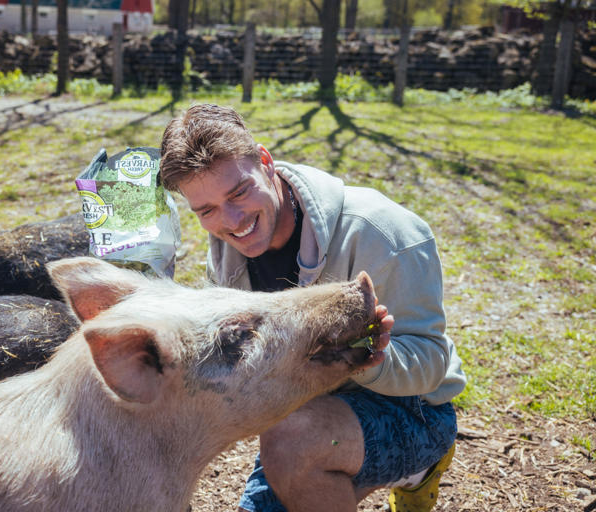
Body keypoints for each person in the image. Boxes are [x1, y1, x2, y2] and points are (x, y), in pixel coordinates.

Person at [158, 104, 466, 512]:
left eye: (239, 192)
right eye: (207, 210)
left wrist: (368, 359)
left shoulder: (380, 231)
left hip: (414, 410)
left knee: (293, 444)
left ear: (265, 161)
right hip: (308, 414)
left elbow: (432, 362)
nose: (231, 221)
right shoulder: (226, 258)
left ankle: (419, 469)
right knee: (291, 446)